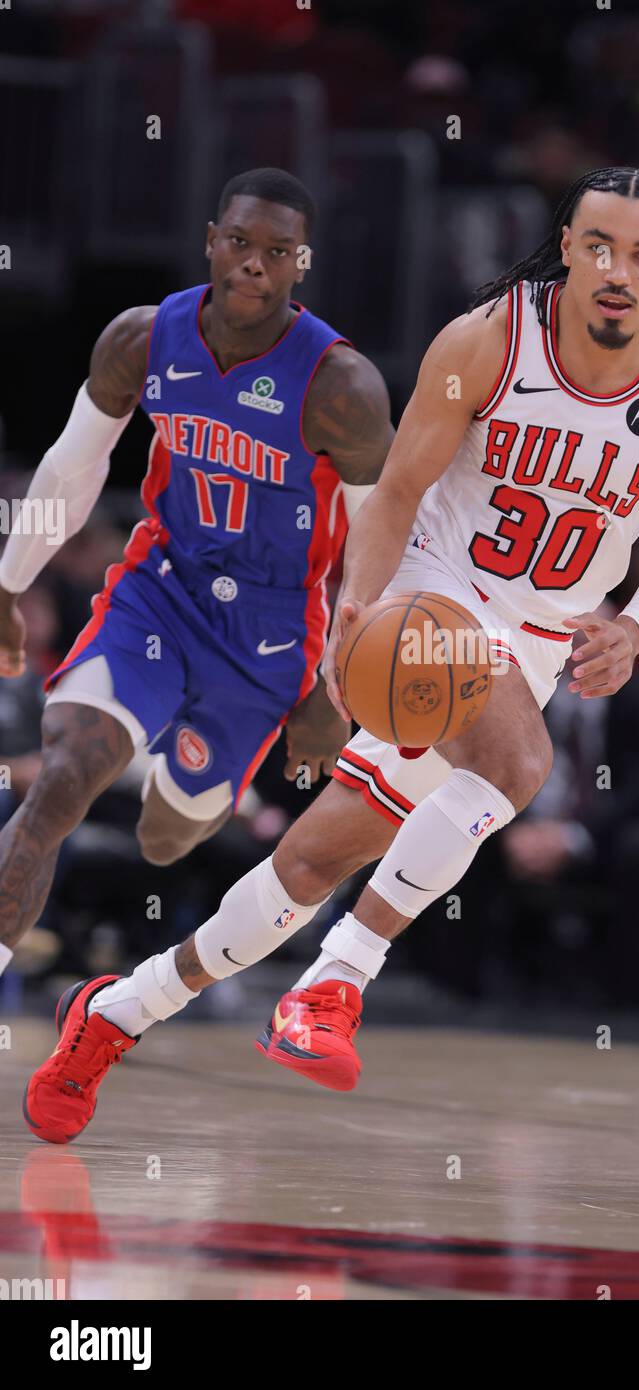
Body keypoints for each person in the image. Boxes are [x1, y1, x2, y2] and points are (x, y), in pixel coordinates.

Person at [23, 166, 639, 1144]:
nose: (620, 269)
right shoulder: (487, 339)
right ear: (571, 247)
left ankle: (115, 1012)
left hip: (538, 639)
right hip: (434, 591)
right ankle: (334, 987)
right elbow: (395, 489)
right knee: (519, 764)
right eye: (601, 247)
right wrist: (360, 610)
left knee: (305, 866)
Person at [0, 167, 393, 987]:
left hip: (271, 633)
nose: (254, 264)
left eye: (275, 251)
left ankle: (166, 769)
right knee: (59, 782)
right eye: (240, 242)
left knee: (166, 836)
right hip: (161, 587)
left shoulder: (341, 386)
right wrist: (8, 583)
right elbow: (73, 466)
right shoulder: (142, 338)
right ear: (211, 241)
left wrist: (335, 689)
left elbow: (381, 538)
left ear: (301, 264)